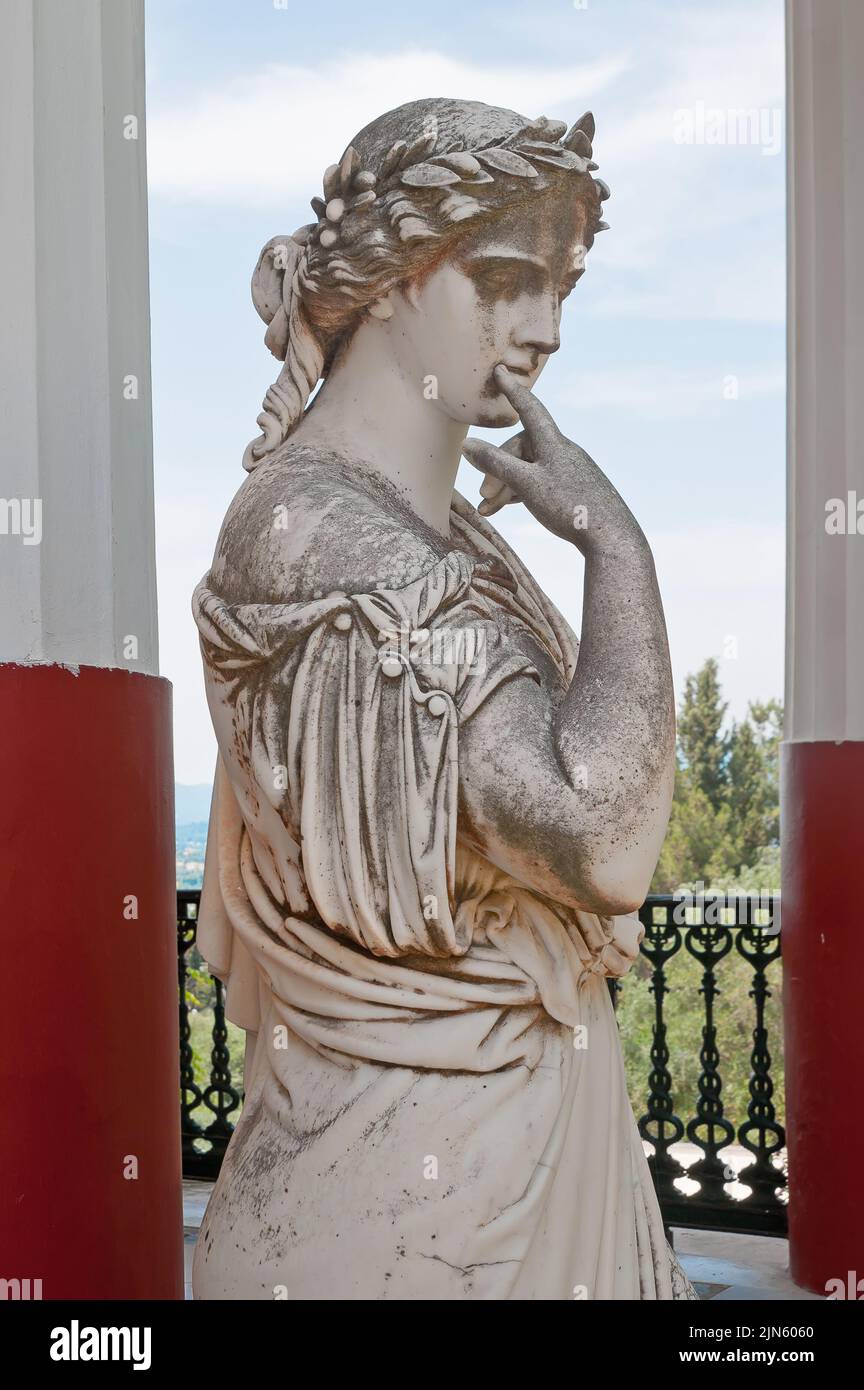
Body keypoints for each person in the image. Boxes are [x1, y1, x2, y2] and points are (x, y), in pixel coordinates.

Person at [191, 97, 696, 1300]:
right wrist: (618, 549)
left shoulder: (440, 536)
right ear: (390, 276)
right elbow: (598, 839)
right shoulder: (319, 536)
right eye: (507, 277)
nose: (547, 328)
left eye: (564, 285)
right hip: (394, 1219)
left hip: (495, 1171)